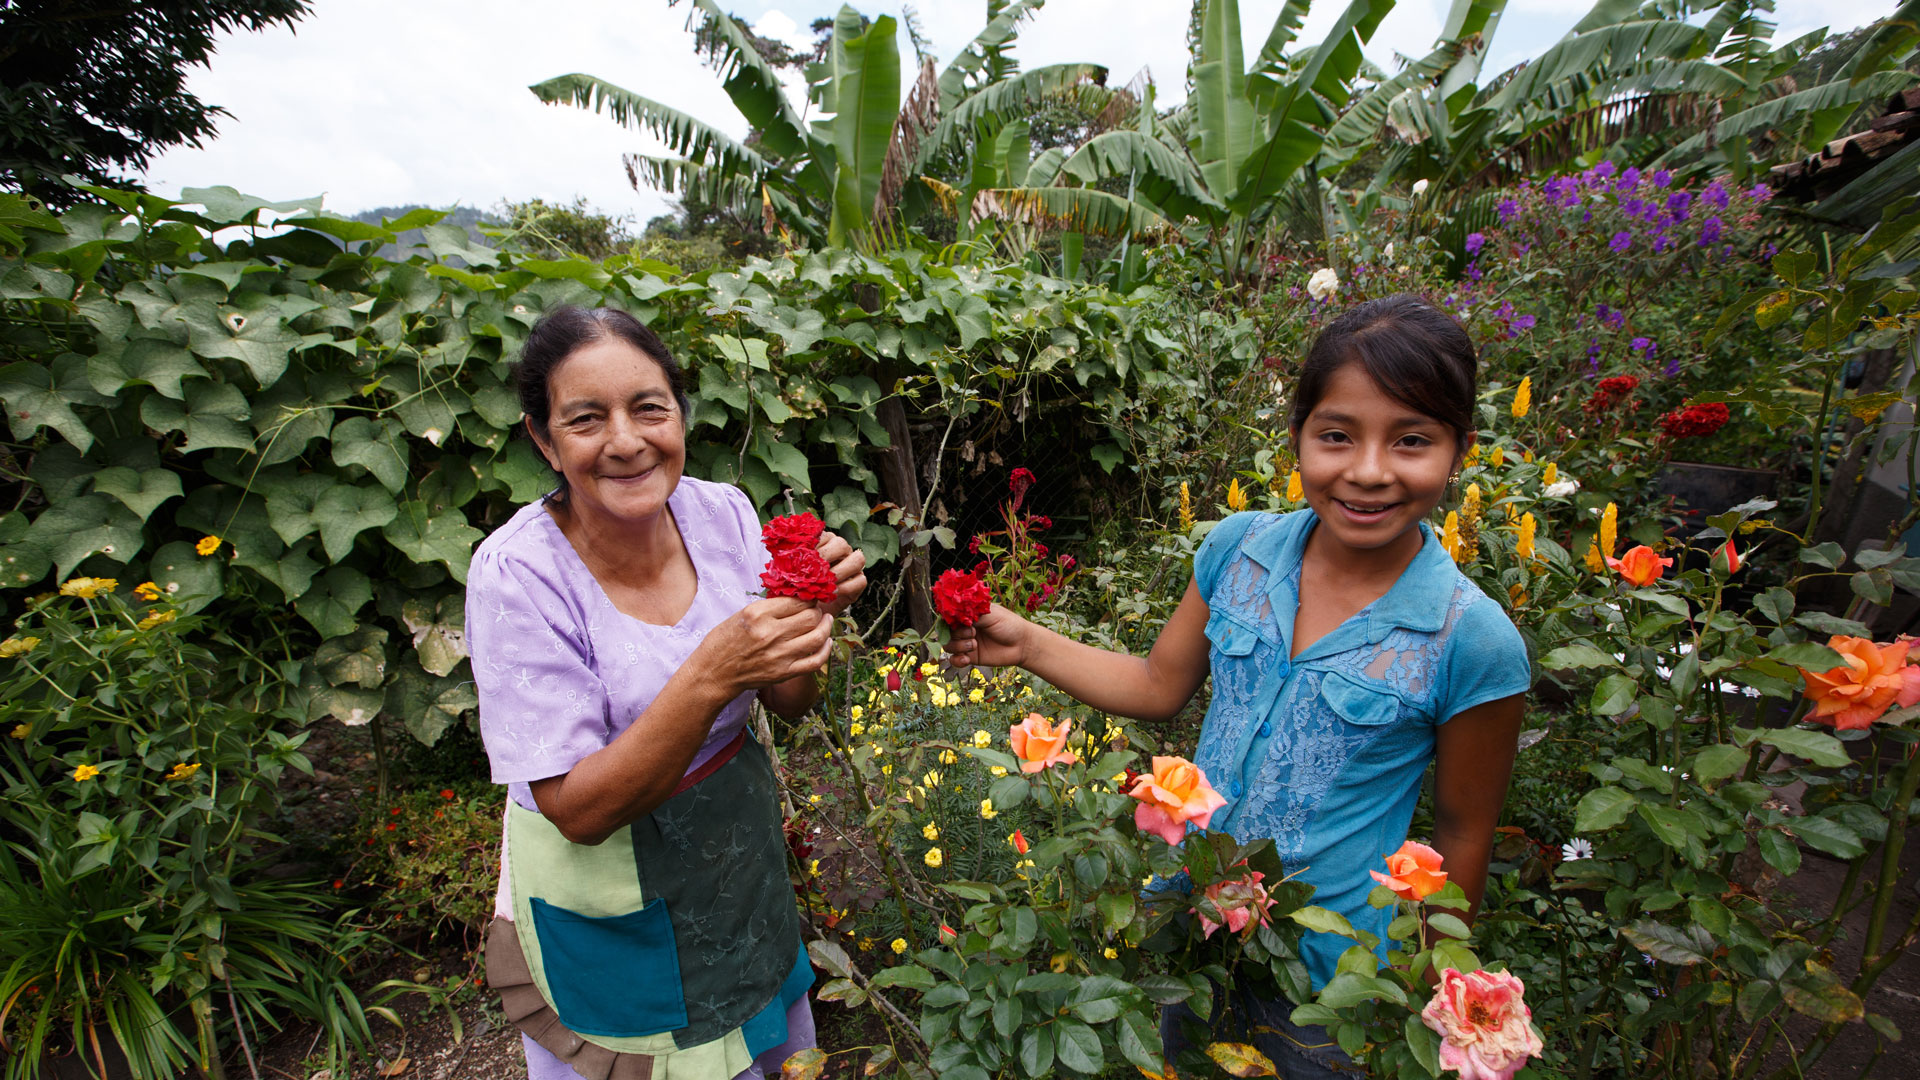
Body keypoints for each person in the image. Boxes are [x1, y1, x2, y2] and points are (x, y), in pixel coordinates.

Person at [945, 294, 1530, 1079]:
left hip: (1333, 980)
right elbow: (1158, 685)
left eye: (1412, 440)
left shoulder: (1473, 639)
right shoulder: (1239, 550)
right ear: (1297, 438)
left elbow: (1462, 833)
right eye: (1336, 435)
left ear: (1460, 450)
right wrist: (1026, 643)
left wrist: (1423, 1000)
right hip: (1185, 925)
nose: (1367, 470)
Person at [467, 305, 866, 1080]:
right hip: (607, 894)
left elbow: (789, 700)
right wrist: (712, 672)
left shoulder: (723, 514)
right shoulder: (518, 574)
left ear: (680, 414)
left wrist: (809, 608)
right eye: (585, 419)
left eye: (649, 407)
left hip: (735, 868)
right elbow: (576, 810)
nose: (626, 440)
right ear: (544, 441)